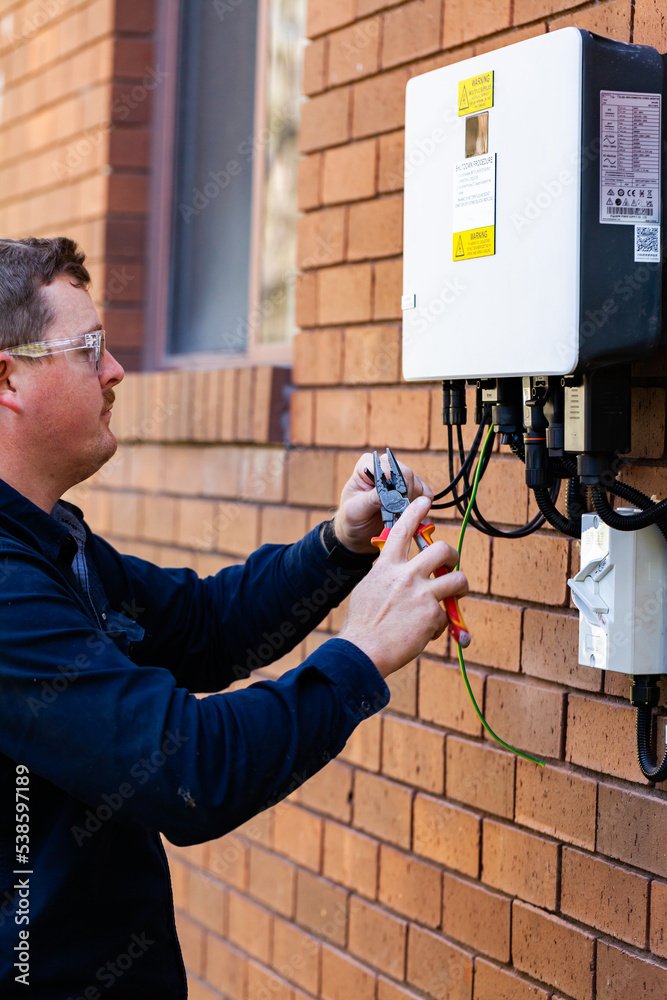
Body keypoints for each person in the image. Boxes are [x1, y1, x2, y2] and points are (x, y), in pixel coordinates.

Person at [0, 238, 467, 998]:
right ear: (8, 377)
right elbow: (186, 770)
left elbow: (204, 626)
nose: (116, 371)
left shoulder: (56, 543)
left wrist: (338, 546)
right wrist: (362, 651)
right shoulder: (8, 592)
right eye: (89, 350)